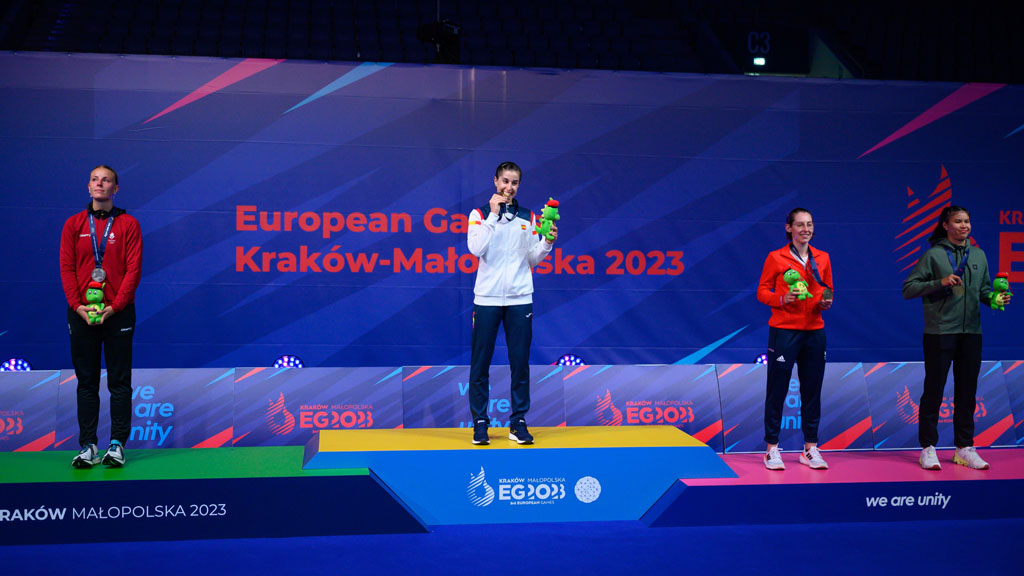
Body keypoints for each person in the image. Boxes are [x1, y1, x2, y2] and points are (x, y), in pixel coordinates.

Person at [902, 205, 1009, 470]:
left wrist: (993, 298)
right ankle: (928, 447)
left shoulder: (979, 255)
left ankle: (964, 447)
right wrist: (940, 282)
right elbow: (909, 288)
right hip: (940, 332)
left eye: (967, 221)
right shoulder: (933, 255)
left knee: (967, 392)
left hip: (971, 332)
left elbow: (984, 290)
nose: (964, 226)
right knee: (934, 391)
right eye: (958, 221)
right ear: (946, 226)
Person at [466, 162, 556, 445]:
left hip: (520, 299)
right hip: (487, 299)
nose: (509, 188)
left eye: (514, 183)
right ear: (495, 181)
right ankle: (480, 422)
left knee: (520, 363)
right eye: (504, 181)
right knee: (480, 363)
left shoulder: (528, 218)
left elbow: (530, 259)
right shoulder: (479, 214)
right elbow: (475, 249)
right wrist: (493, 217)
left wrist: (547, 243)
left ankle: (517, 422)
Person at [60, 165, 143, 467]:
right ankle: (88, 446)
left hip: (117, 313)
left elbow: (133, 271)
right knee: (86, 381)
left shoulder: (128, 224)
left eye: (106, 180)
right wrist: (77, 305)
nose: (100, 183)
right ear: (88, 186)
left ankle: (117, 444)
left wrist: (115, 306)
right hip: (82, 314)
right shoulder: (73, 224)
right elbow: (67, 269)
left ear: (115, 189)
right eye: (95, 179)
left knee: (119, 381)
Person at [756, 208, 833, 470]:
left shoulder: (822, 257)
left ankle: (810, 448)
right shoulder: (775, 257)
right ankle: (771, 449)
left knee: (812, 390)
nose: (805, 229)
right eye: (800, 225)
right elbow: (762, 292)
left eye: (809, 224)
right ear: (789, 228)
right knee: (777, 389)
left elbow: (828, 289)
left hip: (814, 330)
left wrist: (826, 302)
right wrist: (781, 299)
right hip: (784, 330)